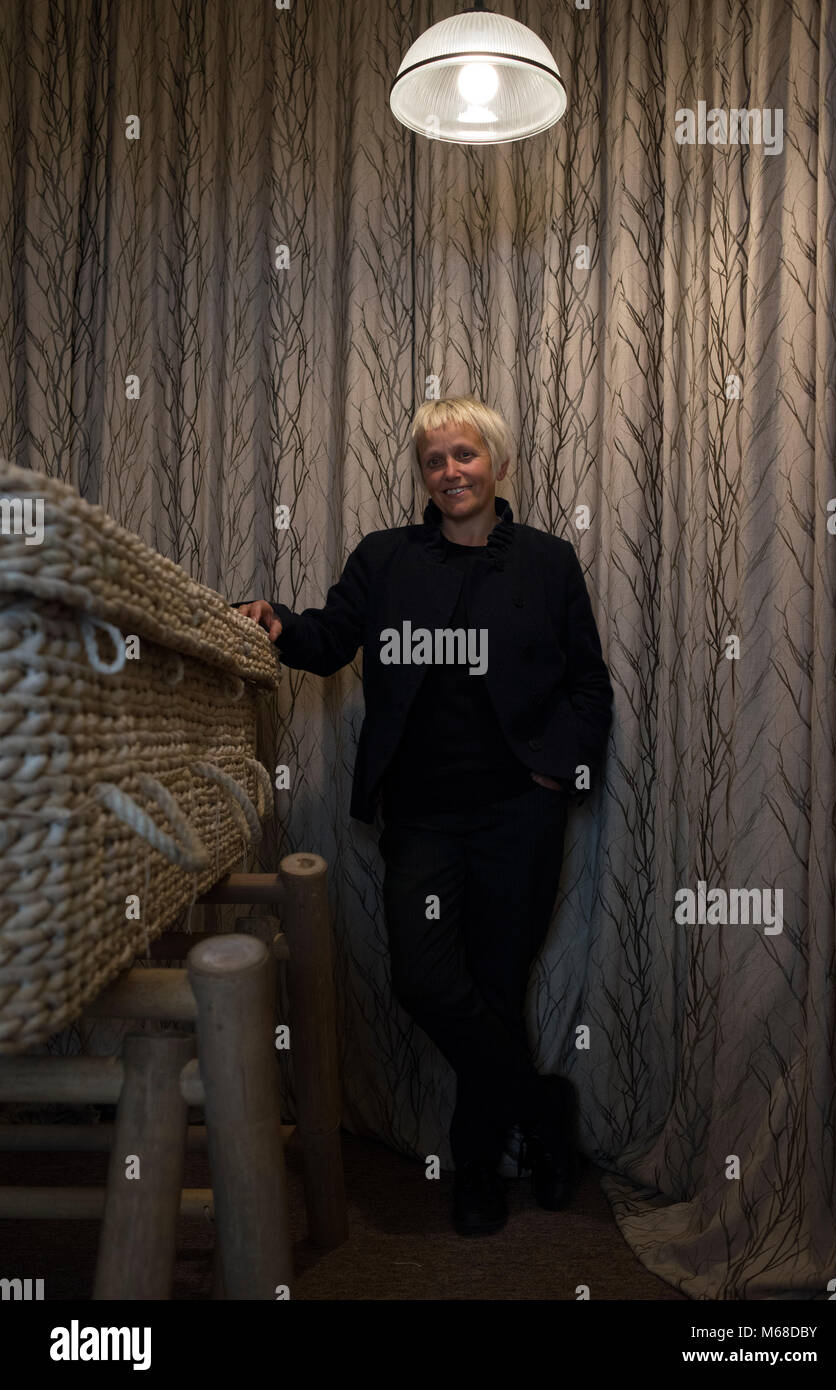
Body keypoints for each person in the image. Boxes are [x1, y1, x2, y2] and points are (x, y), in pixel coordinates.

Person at [235, 396, 614, 1237]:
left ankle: (476, 1167)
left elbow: (589, 687)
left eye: (464, 455)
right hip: (422, 815)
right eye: (434, 460)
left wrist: (557, 772)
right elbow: (330, 640)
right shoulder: (386, 559)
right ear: (422, 475)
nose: (449, 471)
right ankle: (543, 1109)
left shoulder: (549, 565)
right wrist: (275, 621)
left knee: (494, 987)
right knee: (423, 977)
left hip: (520, 813)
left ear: (498, 464)